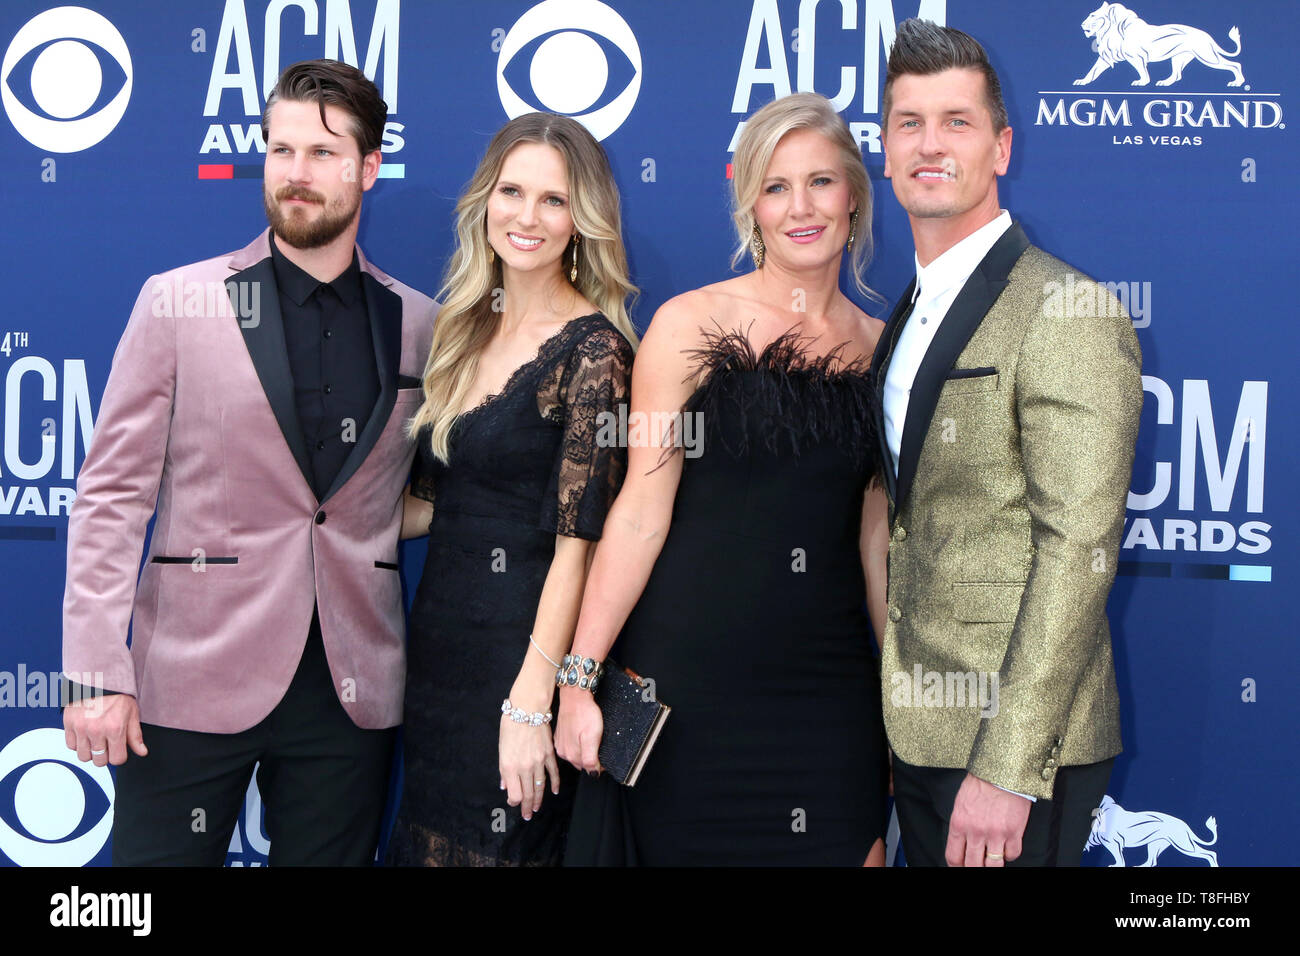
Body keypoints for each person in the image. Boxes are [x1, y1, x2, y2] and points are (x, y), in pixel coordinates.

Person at [60, 60, 436, 866]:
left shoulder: (419, 323)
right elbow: (110, 497)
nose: (296, 175)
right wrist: (95, 671)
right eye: (281, 150)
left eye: (324, 154)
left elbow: (405, 494)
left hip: (351, 692)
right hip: (189, 678)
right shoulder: (177, 302)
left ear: (368, 168)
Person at [558, 92, 890, 866]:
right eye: (775, 187)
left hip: (827, 695)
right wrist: (580, 680)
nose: (800, 207)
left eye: (820, 182)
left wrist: (902, 700)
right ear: (750, 203)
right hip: (689, 688)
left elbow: (875, 540)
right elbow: (640, 509)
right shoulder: (689, 324)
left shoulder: (884, 349)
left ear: (854, 196)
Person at [870, 19, 1143, 867]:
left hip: (1017, 754)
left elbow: (1080, 548)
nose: (930, 144)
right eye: (909, 122)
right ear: (884, 150)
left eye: (957, 121)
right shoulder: (908, 312)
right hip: (920, 732)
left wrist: (1008, 769)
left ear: (1002, 147)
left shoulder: (1068, 310)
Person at [385, 113, 637, 867]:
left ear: (581, 220)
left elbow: (576, 552)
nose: (527, 217)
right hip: (438, 658)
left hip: (518, 659)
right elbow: (433, 505)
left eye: (553, 200)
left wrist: (531, 701)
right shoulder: (462, 332)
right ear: (485, 201)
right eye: (512, 191)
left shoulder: (597, 354)